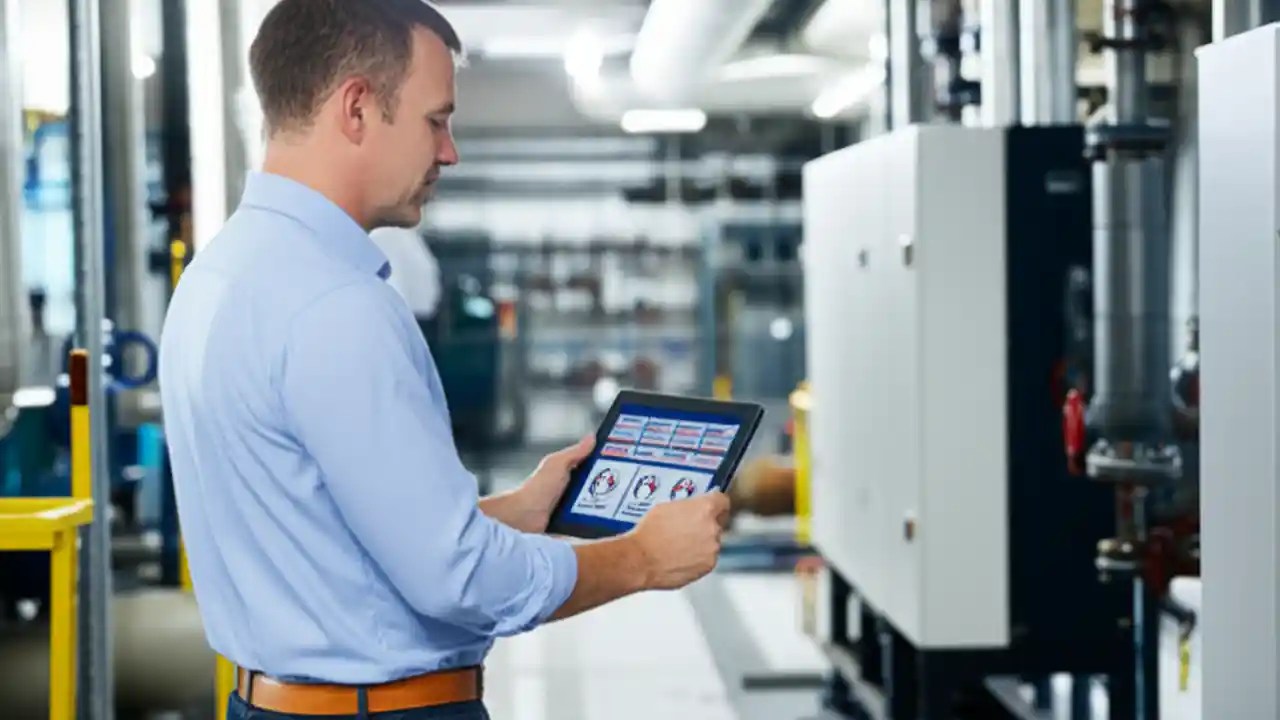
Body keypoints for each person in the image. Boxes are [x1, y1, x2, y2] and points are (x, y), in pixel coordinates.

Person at [156, 2, 731, 719]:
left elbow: (319, 535)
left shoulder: (218, 277)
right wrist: (643, 557)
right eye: (437, 120)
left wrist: (512, 513)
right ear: (358, 108)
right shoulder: (334, 305)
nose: (450, 151)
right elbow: (460, 579)